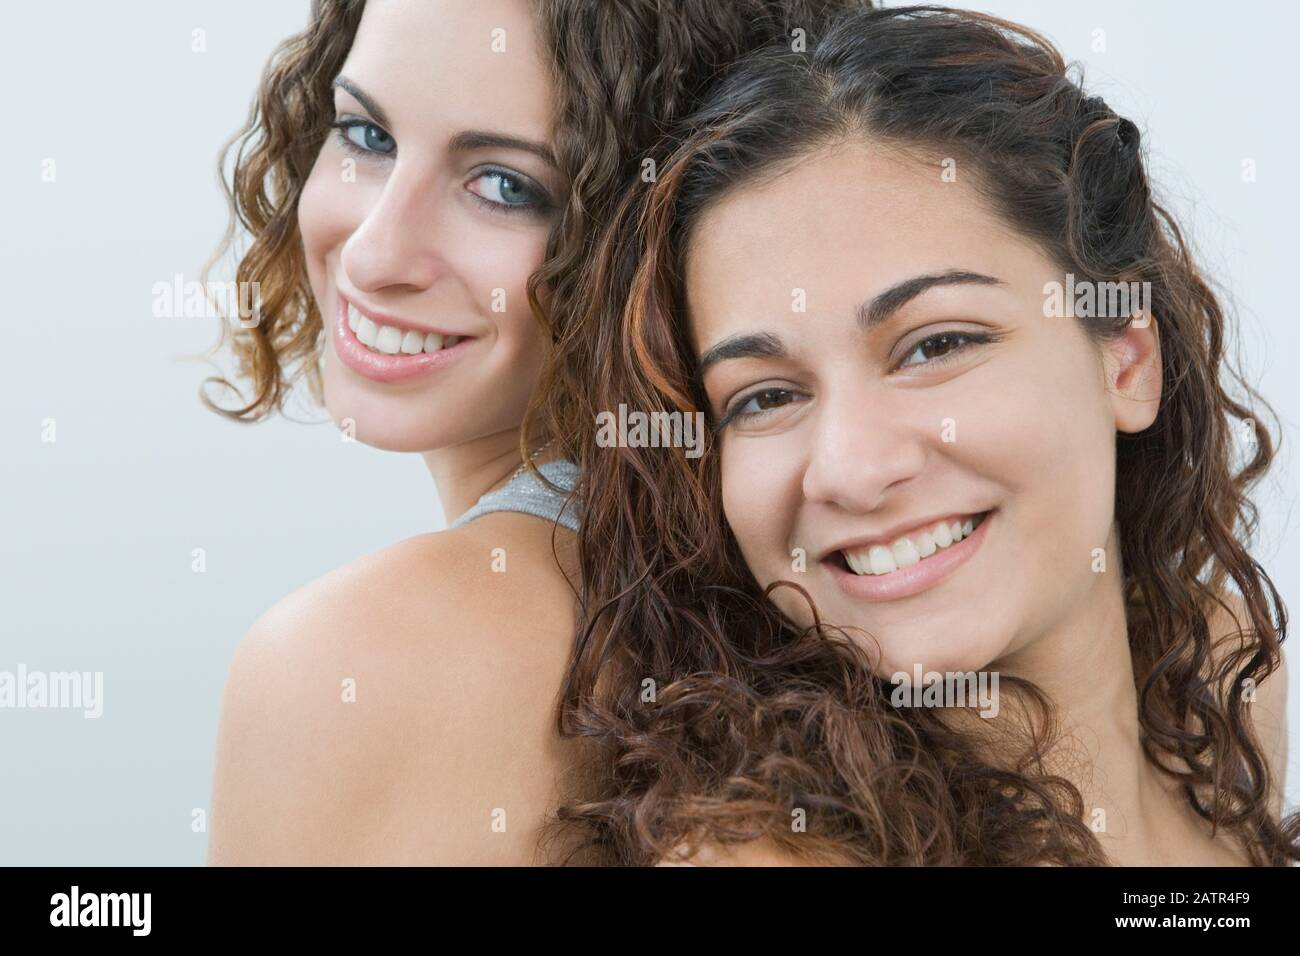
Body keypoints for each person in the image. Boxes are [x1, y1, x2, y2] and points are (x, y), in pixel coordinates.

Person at [543, 4, 1295, 865]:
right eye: (764, 397)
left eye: (937, 346)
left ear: (1125, 360)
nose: (855, 470)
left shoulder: (1228, 687)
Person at [203, 0, 858, 865]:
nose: (372, 254)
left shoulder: (354, 658)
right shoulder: (801, 597)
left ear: (653, 237)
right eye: (366, 135)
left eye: (505, 186)